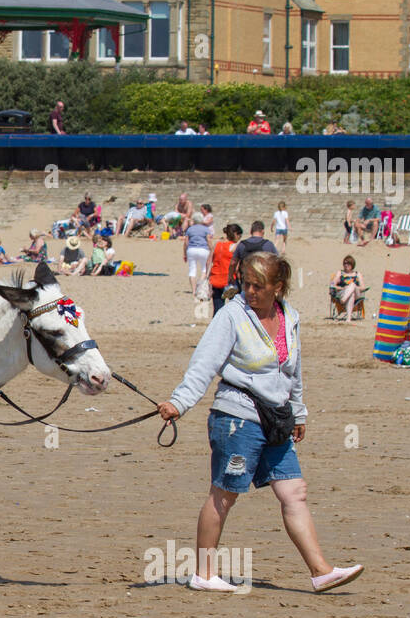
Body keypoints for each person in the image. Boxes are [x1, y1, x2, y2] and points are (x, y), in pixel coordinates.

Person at [156, 252, 363, 594]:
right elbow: (203, 364)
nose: (249, 291)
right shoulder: (232, 317)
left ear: (278, 288)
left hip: (276, 420)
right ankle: (204, 574)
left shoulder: (289, 317)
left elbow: (292, 372)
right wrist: (179, 403)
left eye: (258, 286)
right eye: (246, 284)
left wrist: (299, 412)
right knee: (225, 494)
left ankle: (321, 571)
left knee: (294, 492)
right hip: (237, 418)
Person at [228, 221, 277, 287]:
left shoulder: (242, 244)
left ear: (251, 231)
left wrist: (230, 276)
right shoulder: (268, 245)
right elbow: (277, 262)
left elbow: (233, 263)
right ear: (263, 232)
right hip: (262, 280)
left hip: (246, 280)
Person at [208, 223, 241, 314]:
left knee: (218, 310)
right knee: (236, 307)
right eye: (239, 236)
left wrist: (207, 277)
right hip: (229, 280)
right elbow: (236, 265)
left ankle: (217, 327)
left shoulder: (217, 244)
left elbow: (209, 261)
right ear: (235, 234)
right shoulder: (234, 246)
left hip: (215, 280)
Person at [183, 211, 214, 295]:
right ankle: (200, 287)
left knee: (192, 270)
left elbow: (186, 242)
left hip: (191, 249)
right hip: (203, 250)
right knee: (204, 269)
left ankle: (193, 290)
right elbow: (208, 240)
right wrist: (212, 249)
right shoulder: (205, 229)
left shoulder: (190, 229)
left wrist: (184, 254)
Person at [329, 255, 365, 323]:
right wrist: (342, 287)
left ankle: (343, 299)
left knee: (353, 285)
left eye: (348, 263)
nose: (346, 265)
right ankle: (348, 319)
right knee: (351, 295)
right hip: (343, 292)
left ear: (352, 264)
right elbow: (332, 285)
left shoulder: (357, 274)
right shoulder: (340, 273)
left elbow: (363, 287)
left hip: (357, 294)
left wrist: (354, 287)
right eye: (344, 263)